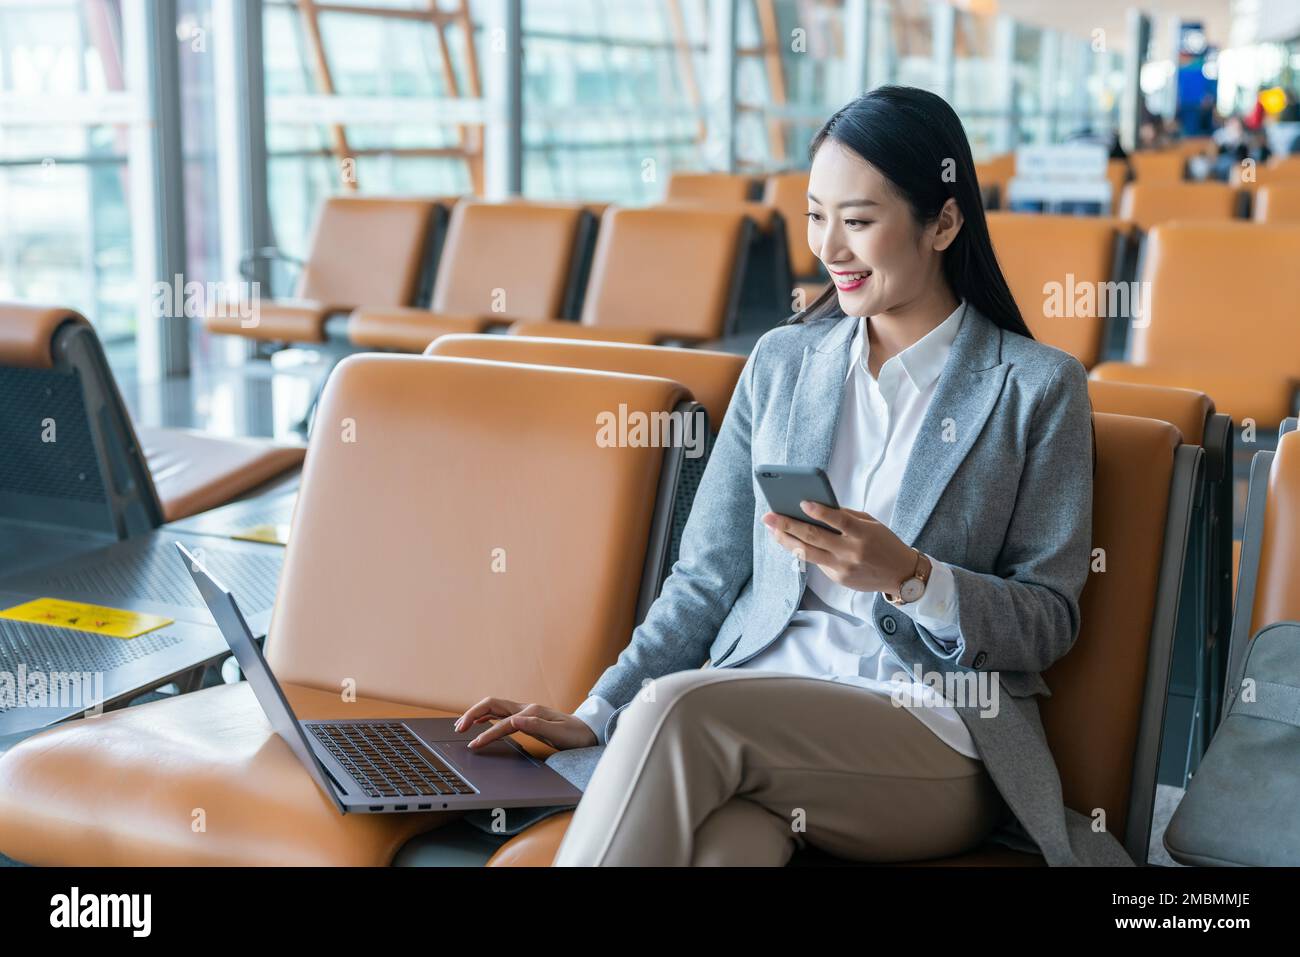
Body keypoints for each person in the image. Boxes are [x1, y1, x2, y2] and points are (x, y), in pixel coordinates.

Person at [454, 86, 1133, 867]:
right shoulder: (781, 364)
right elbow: (704, 577)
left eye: (858, 220)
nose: (829, 249)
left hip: (932, 739)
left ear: (943, 223)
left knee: (679, 707)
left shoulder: (1036, 387)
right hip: (756, 724)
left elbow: (1048, 619)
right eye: (816, 215)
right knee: (723, 848)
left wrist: (915, 579)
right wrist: (599, 706)